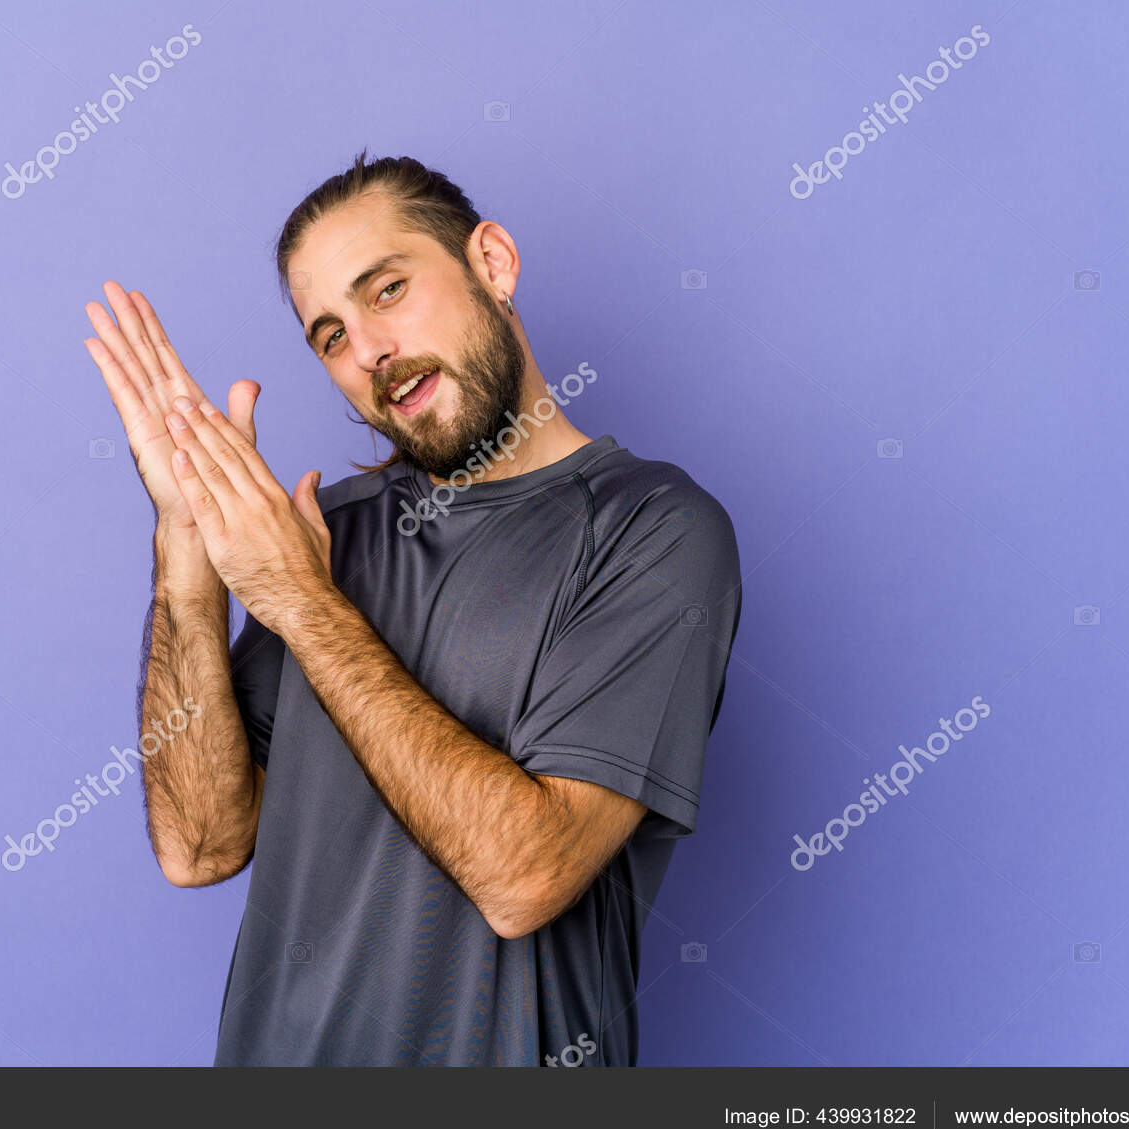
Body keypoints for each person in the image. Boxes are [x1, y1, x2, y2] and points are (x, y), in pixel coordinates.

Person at [82, 151, 742, 1066]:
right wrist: (186, 551)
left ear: (492, 263)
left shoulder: (654, 529)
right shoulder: (322, 537)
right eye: (330, 336)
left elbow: (526, 876)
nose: (368, 351)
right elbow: (200, 844)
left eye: (387, 289)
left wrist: (302, 602)